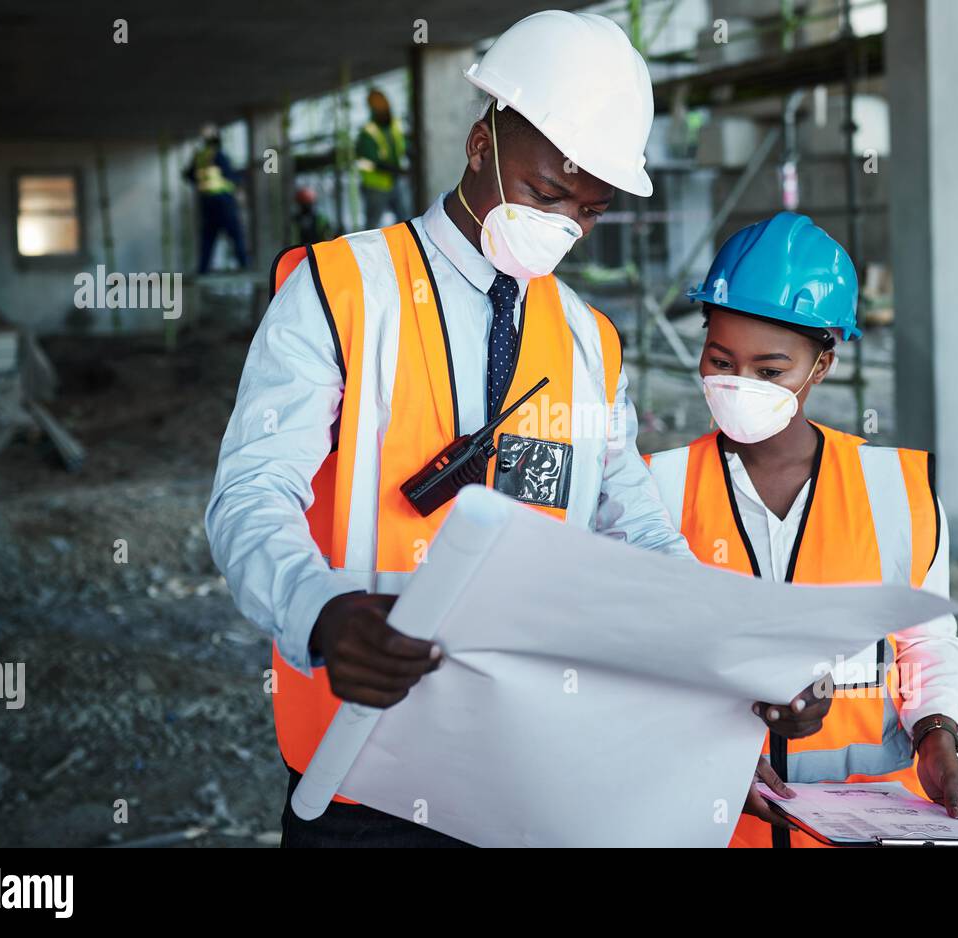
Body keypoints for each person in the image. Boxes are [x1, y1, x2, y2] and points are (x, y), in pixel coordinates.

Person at [206, 10, 697, 847]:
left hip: (532, 759)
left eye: (590, 209)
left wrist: (725, 646)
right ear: (481, 145)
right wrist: (320, 610)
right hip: (364, 764)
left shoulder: (588, 339)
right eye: (547, 193)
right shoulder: (341, 288)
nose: (566, 225)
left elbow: (637, 527)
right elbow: (252, 492)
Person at [645, 211, 958, 848]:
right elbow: (636, 665)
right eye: (721, 359)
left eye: (770, 371)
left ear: (820, 365)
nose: (740, 384)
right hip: (714, 829)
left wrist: (936, 737)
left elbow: (925, 644)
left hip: (869, 829)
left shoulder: (898, 490)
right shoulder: (653, 490)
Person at [185, 124, 249, 274]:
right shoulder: (218, 155)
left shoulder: (200, 157)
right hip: (223, 200)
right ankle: (244, 264)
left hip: (206, 202)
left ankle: (203, 268)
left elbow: (189, 175)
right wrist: (240, 180)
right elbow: (230, 176)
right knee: (235, 233)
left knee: (208, 236)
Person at [355, 88, 409, 229]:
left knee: (404, 222)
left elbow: (402, 146)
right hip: (376, 186)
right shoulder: (368, 132)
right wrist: (397, 170)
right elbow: (366, 162)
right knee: (372, 227)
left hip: (394, 182)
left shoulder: (394, 125)